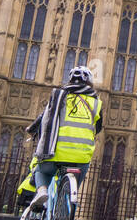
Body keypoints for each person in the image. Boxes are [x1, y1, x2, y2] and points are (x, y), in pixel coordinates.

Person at [25, 65, 103, 212]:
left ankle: (42, 191)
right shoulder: (96, 102)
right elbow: (98, 128)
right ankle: (63, 214)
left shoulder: (59, 96)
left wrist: (31, 129)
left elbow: (45, 119)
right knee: (79, 172)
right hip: (81, 157)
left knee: (41, 170)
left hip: (55, 153)